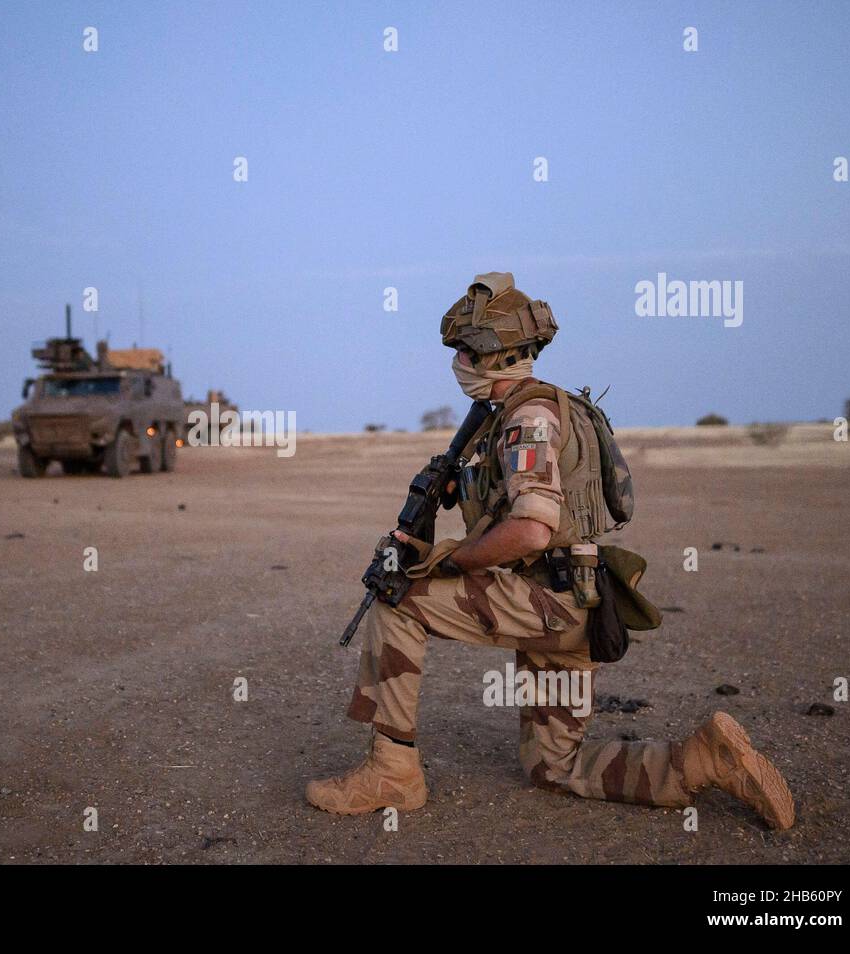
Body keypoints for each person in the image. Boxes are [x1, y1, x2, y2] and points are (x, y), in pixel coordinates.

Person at [305, 272, 795, 830]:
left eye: (465, 350)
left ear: (493, 356)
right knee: (554, 767)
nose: (458, 361)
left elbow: (534, 530)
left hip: (545, 602)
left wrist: (453, 557)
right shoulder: (539, 410)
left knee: (398, 600)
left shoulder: (525, 421)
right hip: (576, 604)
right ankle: (702, 761)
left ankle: (391, 773)